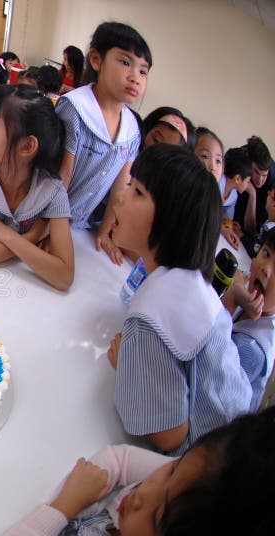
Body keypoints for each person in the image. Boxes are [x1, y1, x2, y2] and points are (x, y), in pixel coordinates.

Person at [106, 144, 251, 455]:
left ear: (173, 220)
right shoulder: (192, 282)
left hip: (201, 466)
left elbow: (170, 436)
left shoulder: (150, 319)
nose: (120, 195)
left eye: (138, 192)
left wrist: (127, 369)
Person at [4, 408, 275, 536]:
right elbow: (120, 458)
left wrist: (64, 507)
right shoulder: (196, 487)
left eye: (158, 517)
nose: (141, 494)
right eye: (172, 468)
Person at [0, 85, 73, 290]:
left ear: (26, 146)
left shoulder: (52, 190)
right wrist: (32, 237)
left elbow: (64, 276)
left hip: (22, 296)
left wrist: (5, 234)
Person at [56, 22, 150, 263]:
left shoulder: (131, 129)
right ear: (96, 60)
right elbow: (61, 177)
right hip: (46, 216)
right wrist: (51, 227)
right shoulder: (75, 109)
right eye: (126, 62)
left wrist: (105, 231)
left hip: (80, 226)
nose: (135, 78)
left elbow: (121, 186)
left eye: (143, 71)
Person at [223, 227, 275, 411]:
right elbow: (239, 275)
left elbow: (205, 377)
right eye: (266, 253)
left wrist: (231, 299)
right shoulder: (252, 293)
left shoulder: (252, 350)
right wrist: (236, 285)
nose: (266, 269)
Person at [234, 136, 274, 235]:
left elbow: (253, 230)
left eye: (264, 175)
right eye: (256, 172)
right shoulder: (237, 159)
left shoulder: (272, 183)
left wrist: (253, 195)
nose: (260, 181)